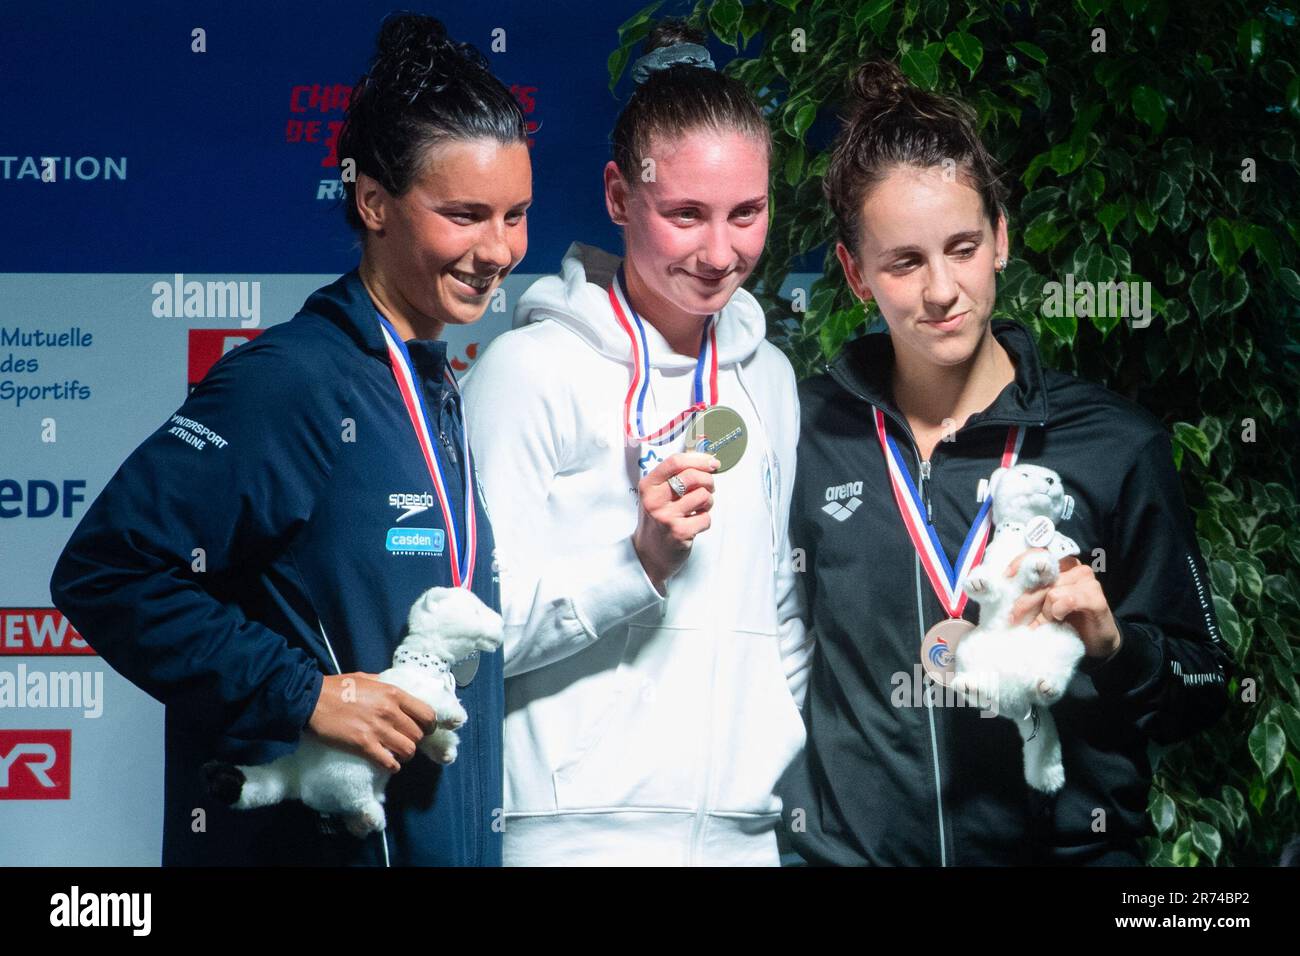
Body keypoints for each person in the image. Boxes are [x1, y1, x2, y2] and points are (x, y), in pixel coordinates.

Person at [48, 13, 531, 866]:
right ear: (373, 201)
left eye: (516, 215)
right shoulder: (292, 381)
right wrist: (303, 694)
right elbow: (106, 572)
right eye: (465, 215)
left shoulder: (427, 381)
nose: (498, 250)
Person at [780, 60, 1231, 866]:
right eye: (904, 262)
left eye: (962, 247)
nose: (942, 290)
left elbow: (1207, 686)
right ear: (854, 275)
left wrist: (1112, 641)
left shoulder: (1113, 443)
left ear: (1001, 238)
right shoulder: (805, 431)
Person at [462, 20, 813, 866]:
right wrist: (639, 564)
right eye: (686, 215)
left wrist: (767, 745)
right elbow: (471, 630)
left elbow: (782, 605)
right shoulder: (526, 371)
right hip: (573, 842)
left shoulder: (770, 378)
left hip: (744, 840)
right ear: (620, 196)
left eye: (748, 213)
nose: (721, 253)